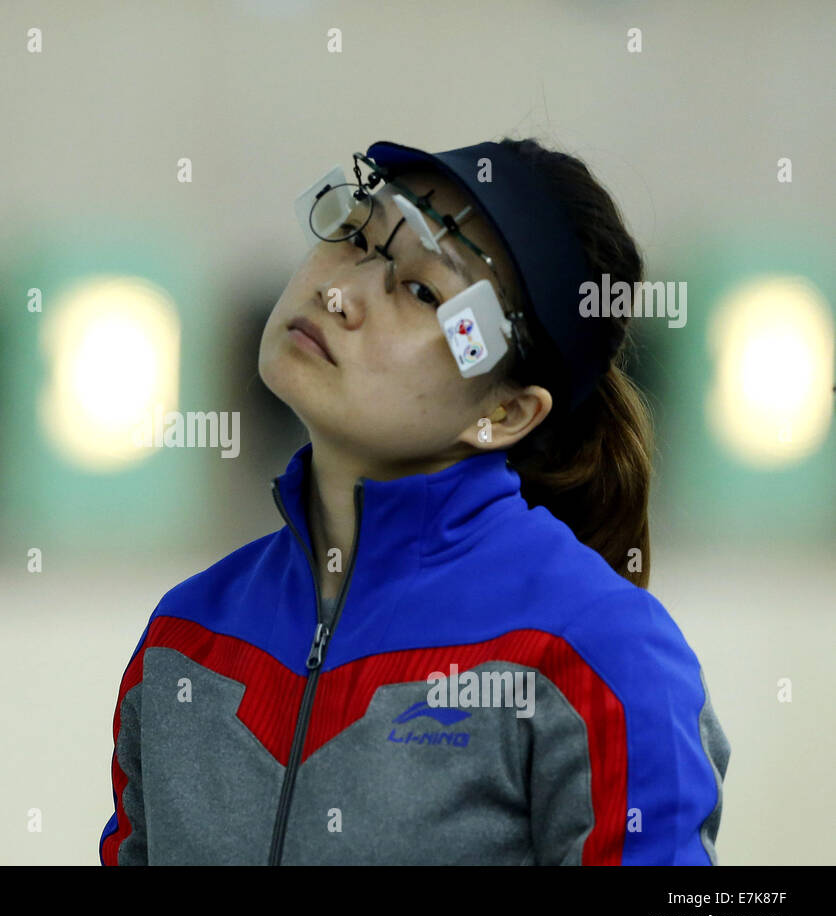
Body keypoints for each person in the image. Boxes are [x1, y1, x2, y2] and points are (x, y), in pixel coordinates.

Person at [99, 137, 729, 865]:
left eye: (426, 291)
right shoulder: (189, 636)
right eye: (354, 234)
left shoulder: (597, 655)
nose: (342, 292)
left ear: (505, 414)